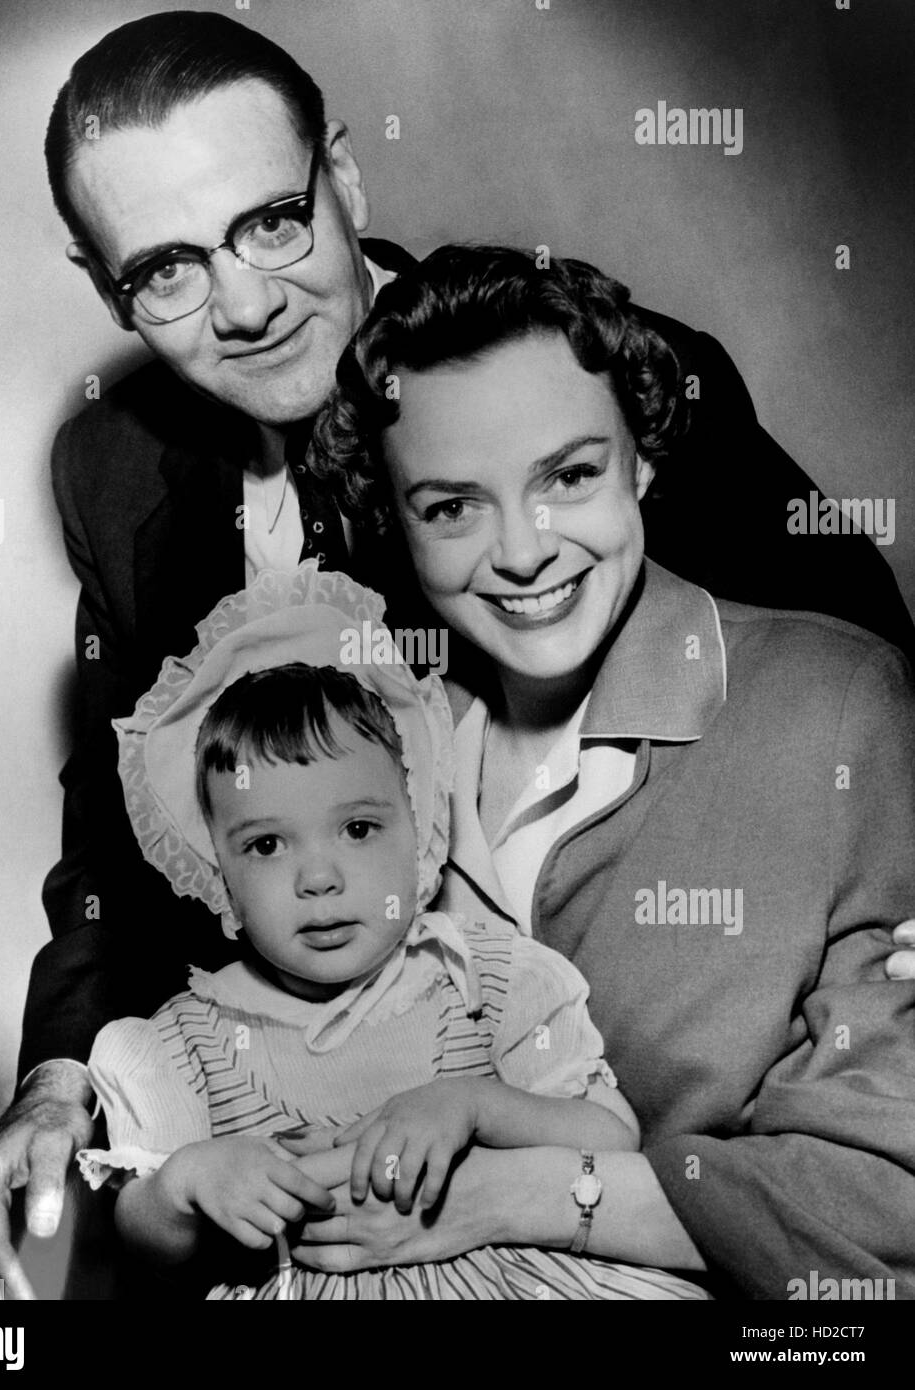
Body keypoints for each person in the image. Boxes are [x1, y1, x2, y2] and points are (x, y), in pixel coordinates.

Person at [0, 10, 915, 1296]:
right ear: (103, 284)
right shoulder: (111, 468)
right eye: (166, 270)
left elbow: (863, 683)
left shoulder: (582, 379)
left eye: (270, 222)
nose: (241, 305)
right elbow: (113, 825)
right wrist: (61, 1081)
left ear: (343, 179)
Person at [296, 244, 915, 1298]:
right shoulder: (370, 753)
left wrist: (517, 1191)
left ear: (642, 462)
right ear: (393, 525)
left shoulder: (837, 707)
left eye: (569, 476)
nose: (523, 551)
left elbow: (881, 1201)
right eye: (451, 507)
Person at [74, 562, 710, 1299]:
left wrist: (474, 1106)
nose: (319, 878)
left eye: (358, 828)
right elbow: (148, 1249)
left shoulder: (487, 982)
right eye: (267, 845)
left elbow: (612, 1139)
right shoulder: (185, 1048)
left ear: (422, 830)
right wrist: (186, 1183)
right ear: (213, 869)